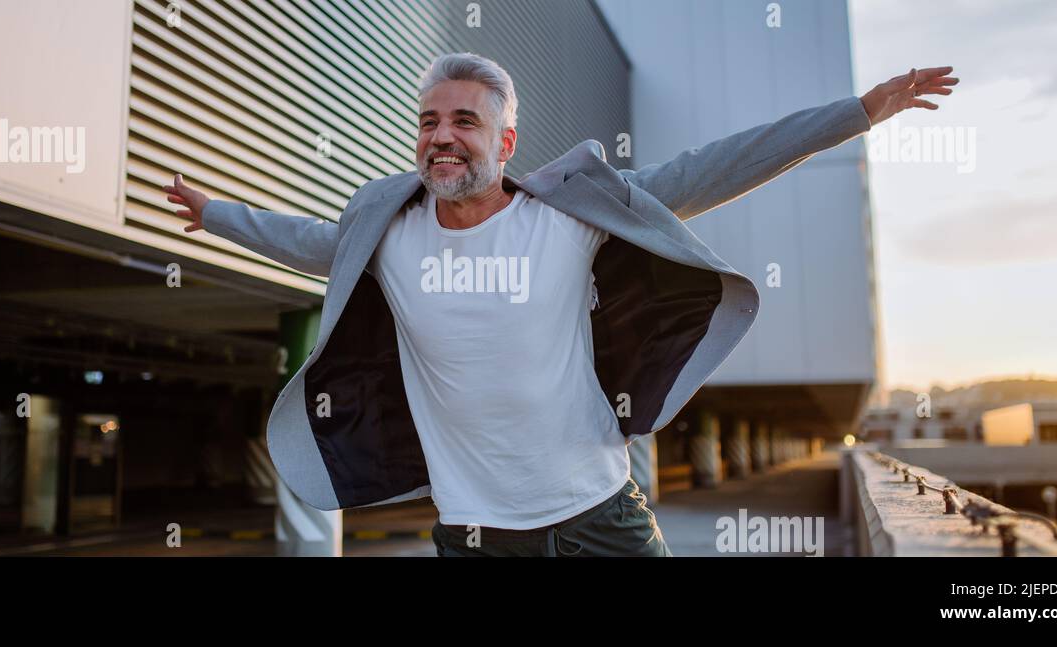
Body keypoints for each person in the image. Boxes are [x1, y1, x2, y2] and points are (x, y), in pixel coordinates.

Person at [165, 53, 957, 557]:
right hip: (474, 534)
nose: (442, 136)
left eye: (465, 121)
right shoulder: (389, 234)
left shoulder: (569, 215)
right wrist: (216, 214)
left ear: (506, 142)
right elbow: (303, 239)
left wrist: (856, 114)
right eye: (429, 121)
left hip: (598, 516)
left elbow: (711, 166)